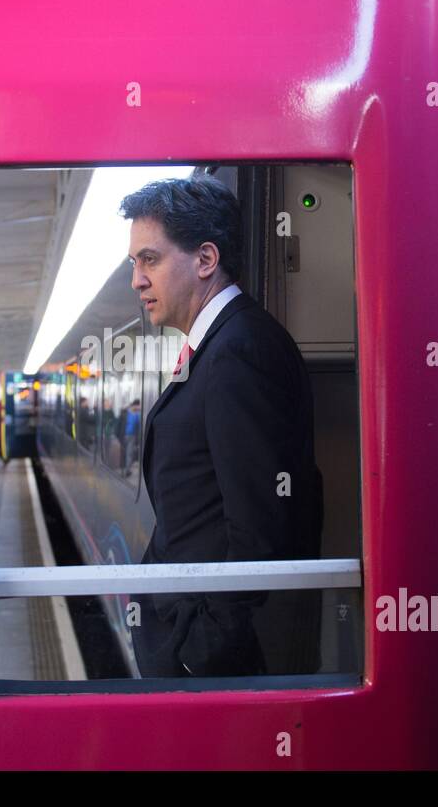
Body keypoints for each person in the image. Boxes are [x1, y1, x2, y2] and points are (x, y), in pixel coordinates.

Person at [121, 174, 323, 678]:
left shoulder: (240, 352)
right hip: (186, 633)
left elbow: (260, 529)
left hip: (217, 660)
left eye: (150, 259)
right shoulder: (218, 346)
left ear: (206, 260)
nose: (137, 280)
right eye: (134, 263)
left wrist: (197, 654)